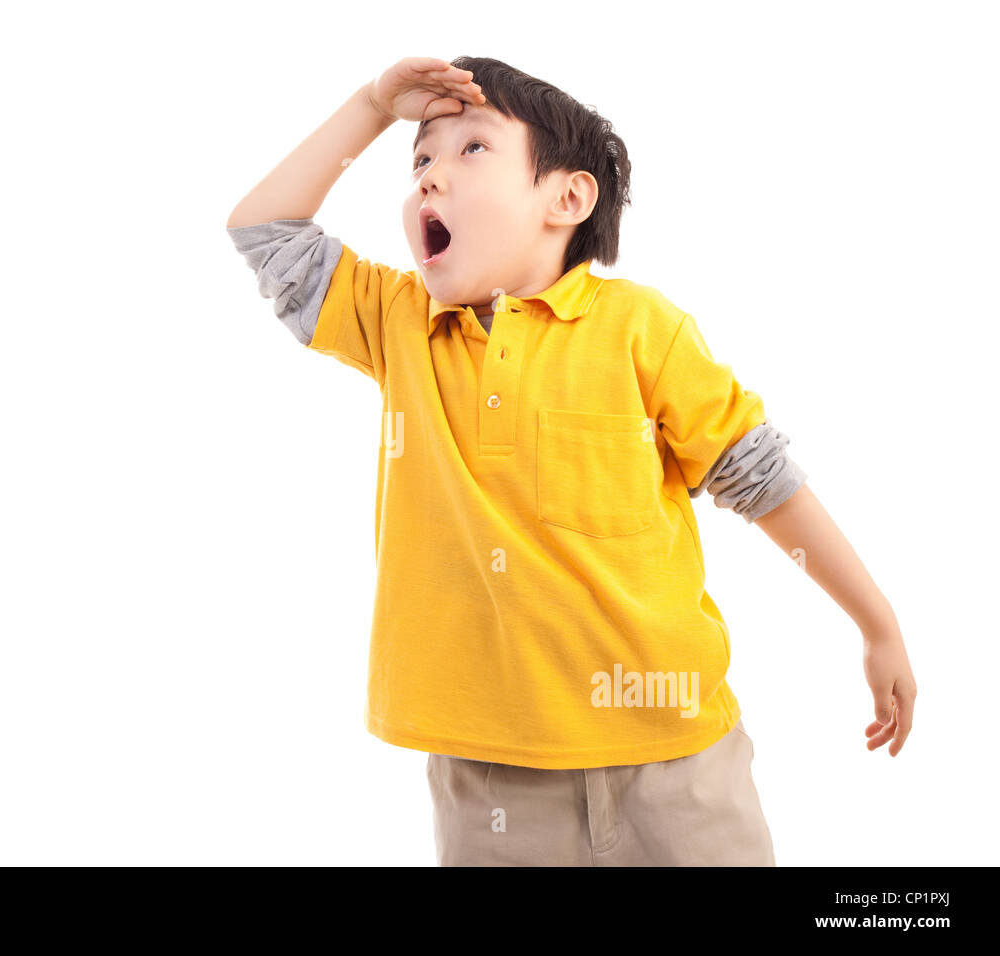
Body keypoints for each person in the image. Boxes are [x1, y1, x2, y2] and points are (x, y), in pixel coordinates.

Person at [225, 55, 916, 866]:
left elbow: (762, 482)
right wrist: (371, 106)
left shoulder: (640, 328)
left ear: (568, 198)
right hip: (492, 786)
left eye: (471, 149)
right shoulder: (397, 322)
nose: (430, 180)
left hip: (678, 763)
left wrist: (878, 624)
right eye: (419, 160)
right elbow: (263, 227)